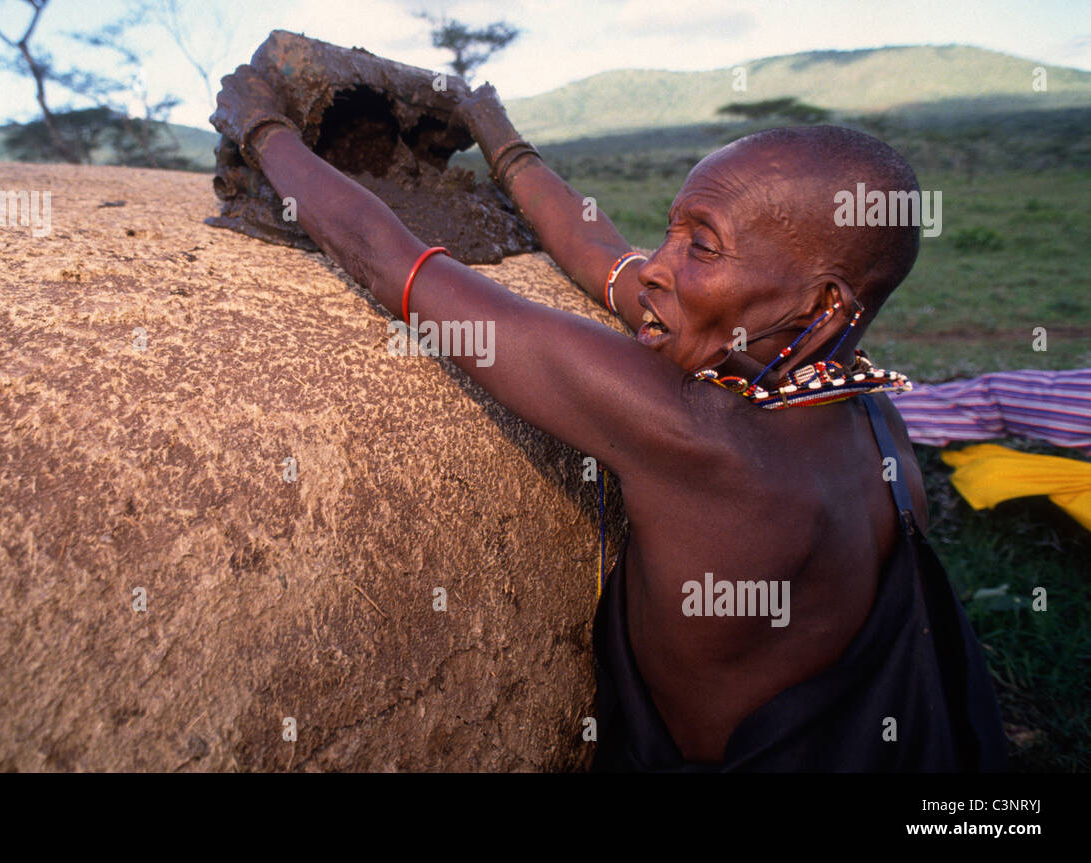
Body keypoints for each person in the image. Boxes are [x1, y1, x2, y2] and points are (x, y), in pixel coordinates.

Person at [213, 66, 1008, 771]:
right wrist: (500, 138)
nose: (658, 267)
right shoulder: (866, 410)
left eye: (702, 245)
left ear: (824, 305)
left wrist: (262, 126)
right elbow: (609, 260)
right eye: (674, 228)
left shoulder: (700, 436)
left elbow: (399, 266)